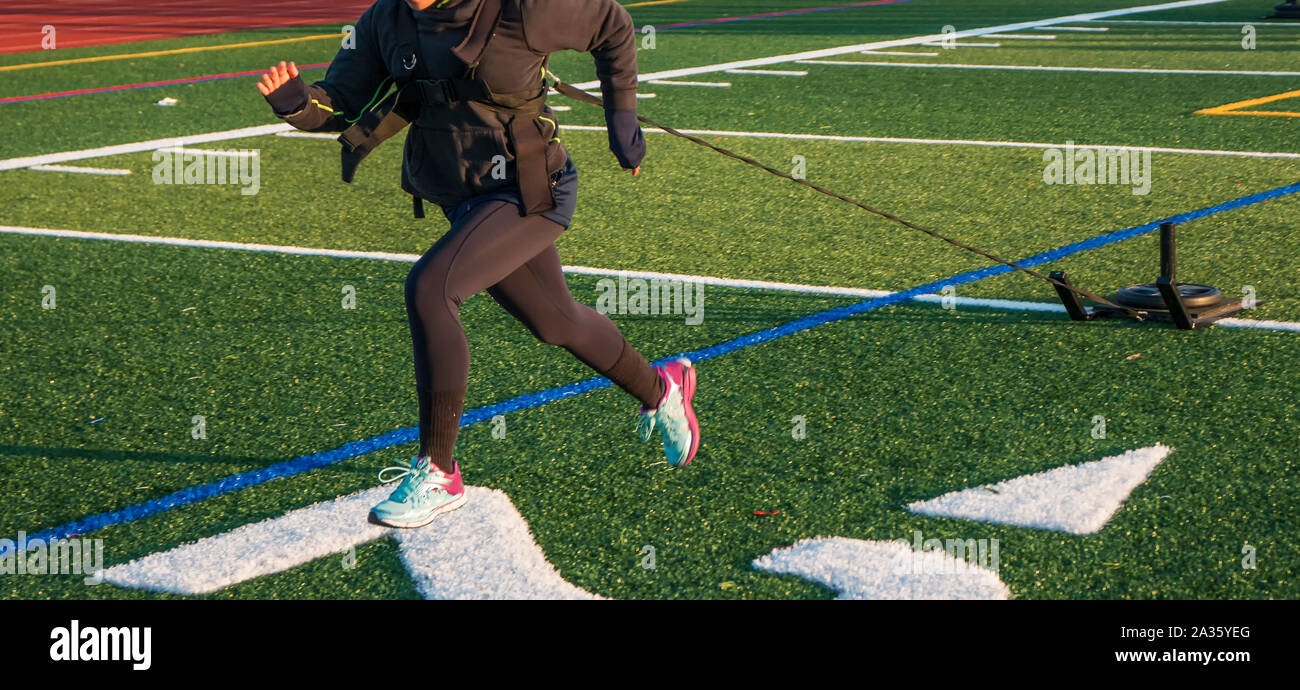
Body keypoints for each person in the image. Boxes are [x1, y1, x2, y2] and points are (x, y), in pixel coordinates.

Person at [255, 0, 699, 528]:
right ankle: (662, 389)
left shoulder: (521, 8)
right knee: (556, 322)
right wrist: (297, 105)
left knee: (430, 288)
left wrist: (621, 122)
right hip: (458, 195)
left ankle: (439, 471)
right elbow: (343, 104)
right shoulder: (384, 19)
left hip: (530, 190)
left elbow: (613, 24)